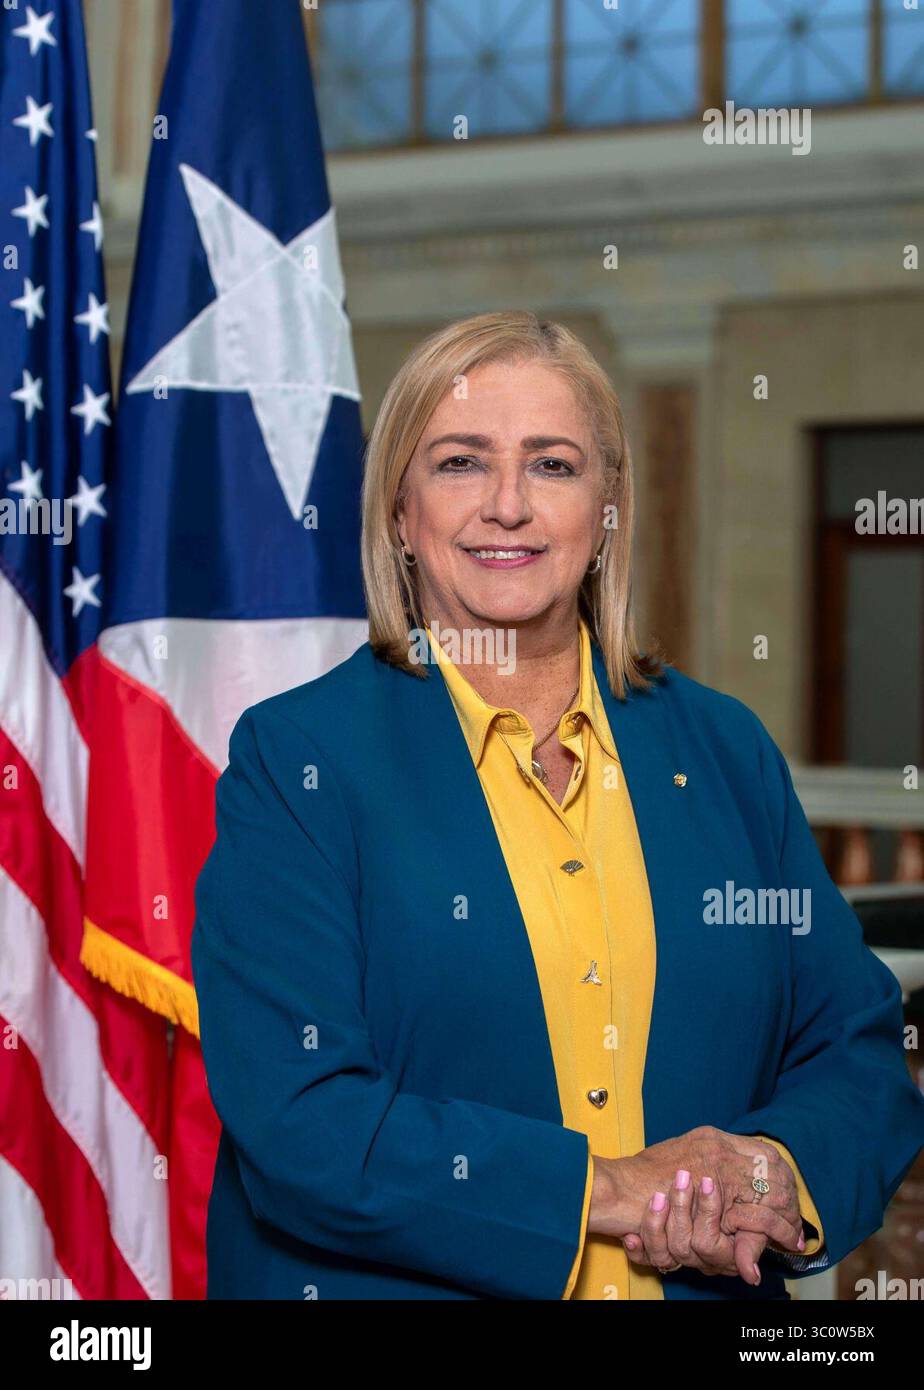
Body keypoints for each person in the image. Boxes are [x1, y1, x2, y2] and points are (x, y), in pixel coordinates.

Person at [192, 311, 924, 1300]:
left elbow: (858, 1048)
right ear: (400, 512)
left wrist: (770, 1175)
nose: (508, 505)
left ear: (606, 507)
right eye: (460, 462)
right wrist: (611, 1190)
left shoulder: (723, 750)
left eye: (552, 465)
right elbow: (301, 1117)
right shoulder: (299, 762)